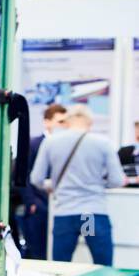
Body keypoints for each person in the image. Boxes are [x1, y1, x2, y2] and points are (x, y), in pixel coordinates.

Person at [30, 105, 126, 265]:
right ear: (90, 123)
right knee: (102, 265)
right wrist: (98, 183)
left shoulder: (51, 142)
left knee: (61, 267)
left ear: (67, 122)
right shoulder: (103, 143)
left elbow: (36, 179)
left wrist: (52, 185)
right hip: (91, 213)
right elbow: (117, 180)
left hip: (65, 213)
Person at [14, 103, 66, 259]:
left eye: (65, 122)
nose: (63, 126)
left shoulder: (66, 145)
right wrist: (32, 203)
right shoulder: (33, 144)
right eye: (60, 121)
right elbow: (22, 173)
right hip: (38, 207)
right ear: (47, 122)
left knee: (56, 252)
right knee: (38, 253)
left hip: (60, 207)